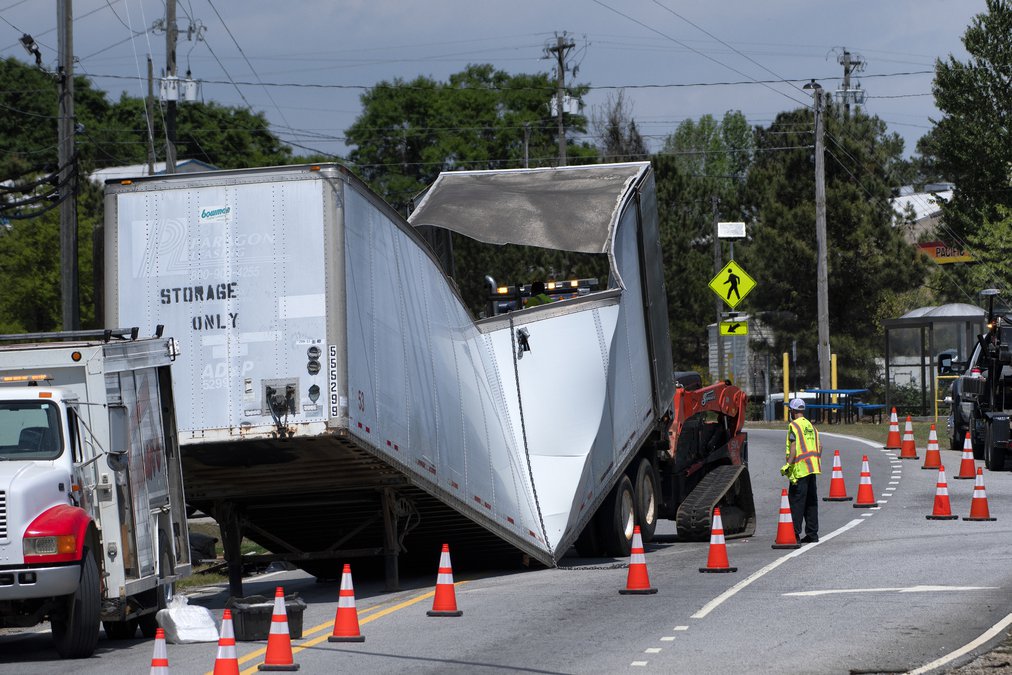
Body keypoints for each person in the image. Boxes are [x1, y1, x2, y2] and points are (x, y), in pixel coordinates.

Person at [782, 398, 822, 543]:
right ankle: (812, 534)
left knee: (796, 502)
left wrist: (788, 464)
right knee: (811, 502)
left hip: (800, 470)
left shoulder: (794, 426)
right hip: (813, 468)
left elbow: (793, 446)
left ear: (792, 411)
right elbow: (820, 446)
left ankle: (794, 534)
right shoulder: (810, 426)